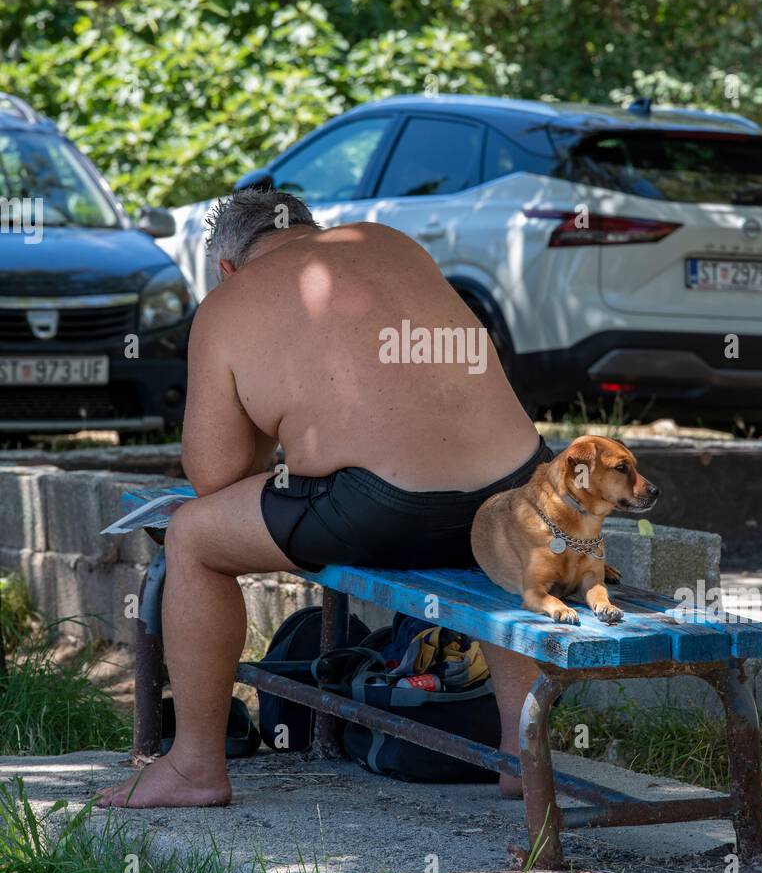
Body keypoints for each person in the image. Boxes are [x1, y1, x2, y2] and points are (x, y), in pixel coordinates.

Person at [98, 190, 549, 807]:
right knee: (496, 550)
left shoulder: (229, 303)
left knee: (194, 536)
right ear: (316, 229)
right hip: (522, 490)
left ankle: (194, 766)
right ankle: (522, 760)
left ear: (227, 267)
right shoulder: (387, 243)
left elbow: (215, 475)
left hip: (385, 506)